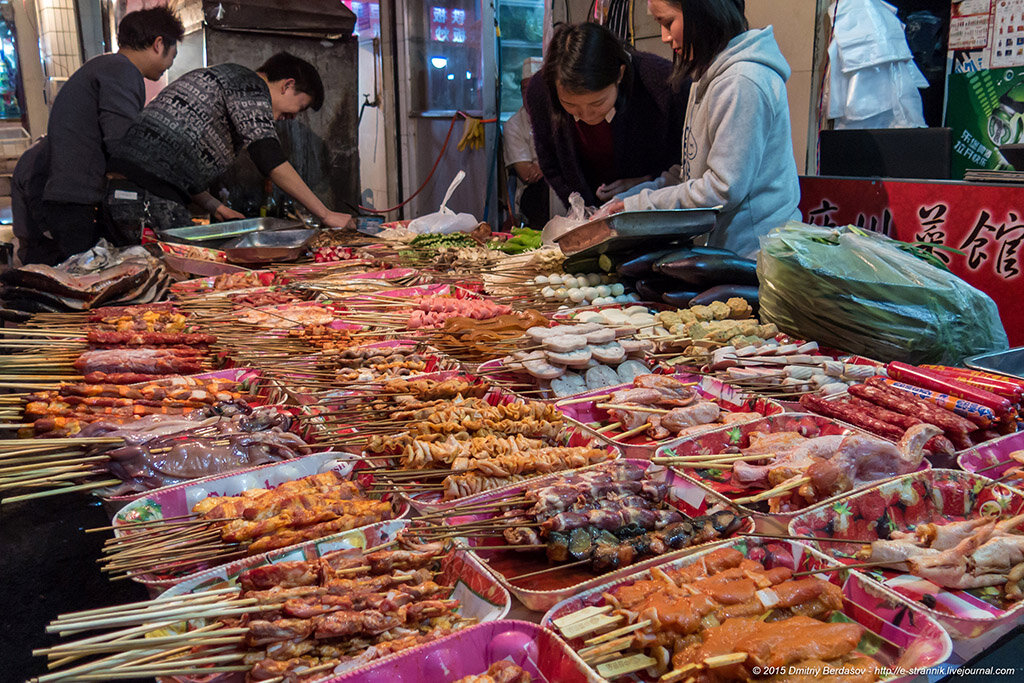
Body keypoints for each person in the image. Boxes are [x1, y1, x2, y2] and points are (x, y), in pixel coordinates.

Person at [601, 0, 800, 257]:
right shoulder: (708, 77)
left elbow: (721, 189)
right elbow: (690, 173)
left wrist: (637, 205)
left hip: (755, 255)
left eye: (668, 22)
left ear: (704, 10)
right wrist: (628, 201)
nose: (664, 37)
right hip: (723, 249)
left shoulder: (741, 82)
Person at [105, 52, 354, 239]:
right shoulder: (250, 85)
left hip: (127, 191)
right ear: (287, 85)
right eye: (299, 107)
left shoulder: (228, 79)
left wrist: (215, 206)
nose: (293, 118)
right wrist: (326, 214)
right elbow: (270, 159)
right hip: (144, 198)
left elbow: (172, 161)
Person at [11, 7, 184, 265]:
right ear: (159, 44)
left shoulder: (104, 67)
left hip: (68, 200)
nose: (170, 63)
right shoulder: (121, 70)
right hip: (77, 204)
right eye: (173, 55)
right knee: (87, 289)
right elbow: (123, 143)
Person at [526, 22, 690, 208]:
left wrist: (645, 182)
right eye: (571, 105)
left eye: (597, 103)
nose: (586, 115)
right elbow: (550, 164)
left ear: (619, 75)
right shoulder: (540, 91)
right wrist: (584, 212)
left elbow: (684, 160)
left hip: (656, 210)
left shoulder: (663, 83)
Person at [503, 73, 549, 227]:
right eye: (524, 90)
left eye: (535, 89)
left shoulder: (560, 117)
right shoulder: (513, 125)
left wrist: (540, 165)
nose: (529, 94)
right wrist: (552, 164)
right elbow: (527, 174)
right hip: (533, 194)